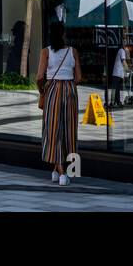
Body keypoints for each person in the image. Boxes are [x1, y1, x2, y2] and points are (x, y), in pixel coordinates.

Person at [37, 20, 81, 186]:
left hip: (53, 90)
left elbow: (40, 77)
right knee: (69, 130)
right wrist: (68, 85)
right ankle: (62, 170)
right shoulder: (73, 51)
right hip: (70, 90)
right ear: (63, 34)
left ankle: (61, 172)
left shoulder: (46, 52)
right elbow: (78, 78)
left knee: (53, 129)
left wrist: (42, 92)